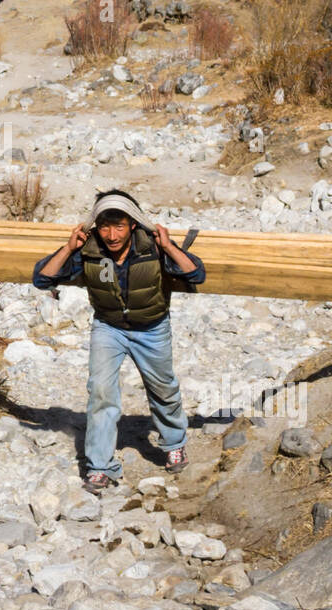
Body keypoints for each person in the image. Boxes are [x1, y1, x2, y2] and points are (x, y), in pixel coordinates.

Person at [32, 189, 205, 494]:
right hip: (108, 327)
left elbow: (196, 274)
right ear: (96, 226)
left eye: (120, 226)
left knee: (163, 388)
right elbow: (42, 279)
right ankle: (100, 467)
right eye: (105, 227)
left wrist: (168, 246)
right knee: (100, 393)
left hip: (152, 328)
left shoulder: (152, 247)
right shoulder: (88, 250)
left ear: (133, 225)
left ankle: (174, 444)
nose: (111, 235)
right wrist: (68, 247)